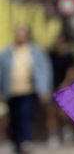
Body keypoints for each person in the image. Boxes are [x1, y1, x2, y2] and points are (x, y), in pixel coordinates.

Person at [0, 26, 53, 154]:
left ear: (27, 36)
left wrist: (44, 89)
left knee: (25, 115)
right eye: (18, 34)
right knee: (14, 118)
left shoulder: (36, 52)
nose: (20, 37)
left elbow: (44, 71)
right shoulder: (7, 52)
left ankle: (25, 141)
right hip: (11, 91)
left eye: (23, 34)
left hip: (29, 90)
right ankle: (17, 143)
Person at [45, 33, 74, 147]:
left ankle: (67, 132)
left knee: (64, 113)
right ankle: (53, 136)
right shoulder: (51, 55)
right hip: (51, 87)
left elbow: (72, 71)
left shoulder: (69, 56)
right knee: (51, 113)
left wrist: (66, 83)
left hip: (65, 88)